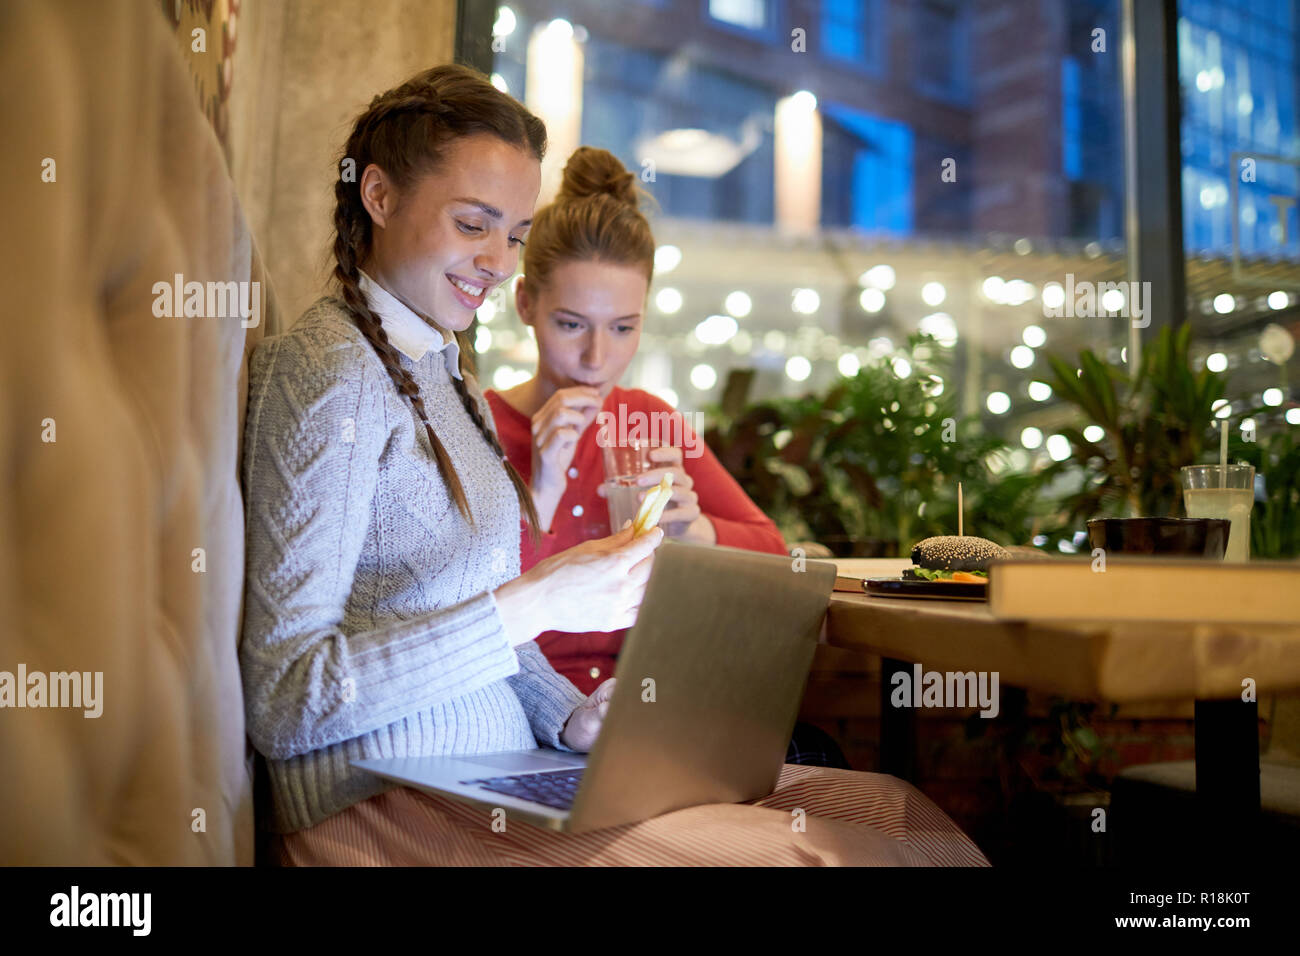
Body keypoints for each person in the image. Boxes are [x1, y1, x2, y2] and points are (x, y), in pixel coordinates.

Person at [240, 64, 988, 866]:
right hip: (390, 809)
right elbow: (287, 701)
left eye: (515, 235)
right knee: (835, 855)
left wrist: (570, 718)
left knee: (902, 817)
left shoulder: (439, 368)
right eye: (473, 225)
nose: (496, 260)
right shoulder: (330, 374)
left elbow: (495, 647)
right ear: (378, 196)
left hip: (500, 773)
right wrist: (532, 599)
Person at [485, 147, 850, 768]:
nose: (597, 358)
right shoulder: (480, 427)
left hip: (650, 710)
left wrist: (698, 531)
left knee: (821, 761)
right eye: (572, 325)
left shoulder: (646, 418)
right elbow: (470, 607)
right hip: (526, 721)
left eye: (624, 328)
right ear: (526, 305)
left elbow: (774, 555)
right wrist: (541, 486)